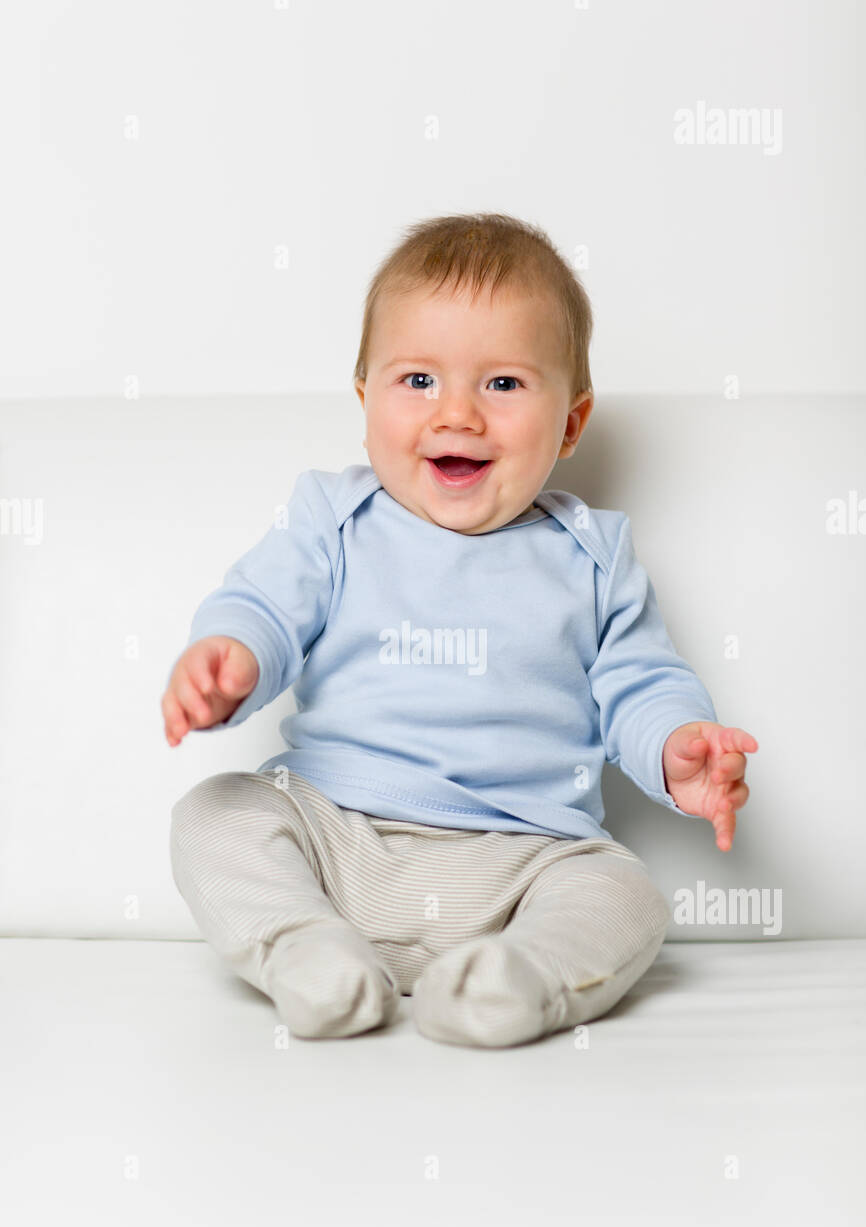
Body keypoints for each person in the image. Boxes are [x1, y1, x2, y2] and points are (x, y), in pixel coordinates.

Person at [164, 211, 758, 1048]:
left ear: (572, 423)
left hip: (523, 861)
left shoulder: (591, 554)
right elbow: (265, 607)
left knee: (624, 890)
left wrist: (676, 747)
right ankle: (309, 952)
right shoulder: (335, 520)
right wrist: (229, 662)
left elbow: (641, 682)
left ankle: (516, 980)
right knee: (215, 813)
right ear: (366, 398)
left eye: (504, 385)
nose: (459, 415)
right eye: (418, 382)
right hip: (342, 838)